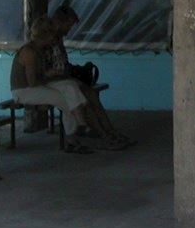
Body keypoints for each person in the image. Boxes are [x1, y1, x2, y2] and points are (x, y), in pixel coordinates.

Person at [11, 17, 123, 152]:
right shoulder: (29, 52)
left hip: (40, 84)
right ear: (45, 35)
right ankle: (73, 138)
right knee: (65, 100)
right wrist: (49, 75)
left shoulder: (41, 49)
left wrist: (53, 76)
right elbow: (32, 82)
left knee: (70, 86)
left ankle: (81, 126)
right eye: (52, 35)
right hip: (24, 91)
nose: (55, 39)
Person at [51, 4, 131, 148]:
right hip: (57, 81)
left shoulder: (58, 39)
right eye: (68, 25)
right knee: (84, 101)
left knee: (92, 95)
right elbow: (52, 69)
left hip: (65, 78)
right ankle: (104, 136)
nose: (69, 30)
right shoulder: (50, 40)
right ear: (59, 23)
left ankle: (110, 132)